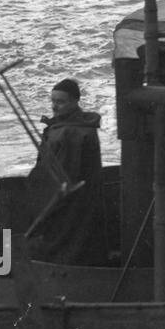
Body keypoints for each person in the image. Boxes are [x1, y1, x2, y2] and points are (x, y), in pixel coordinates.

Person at [26, 78, 108, 266]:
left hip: (74, 204)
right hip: (72, 199)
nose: (55, 107)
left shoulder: (73, 133)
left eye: (60, 102)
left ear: (74, 102)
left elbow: (63, 177)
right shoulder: (63, 128)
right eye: (53, 101)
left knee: (67, 245)